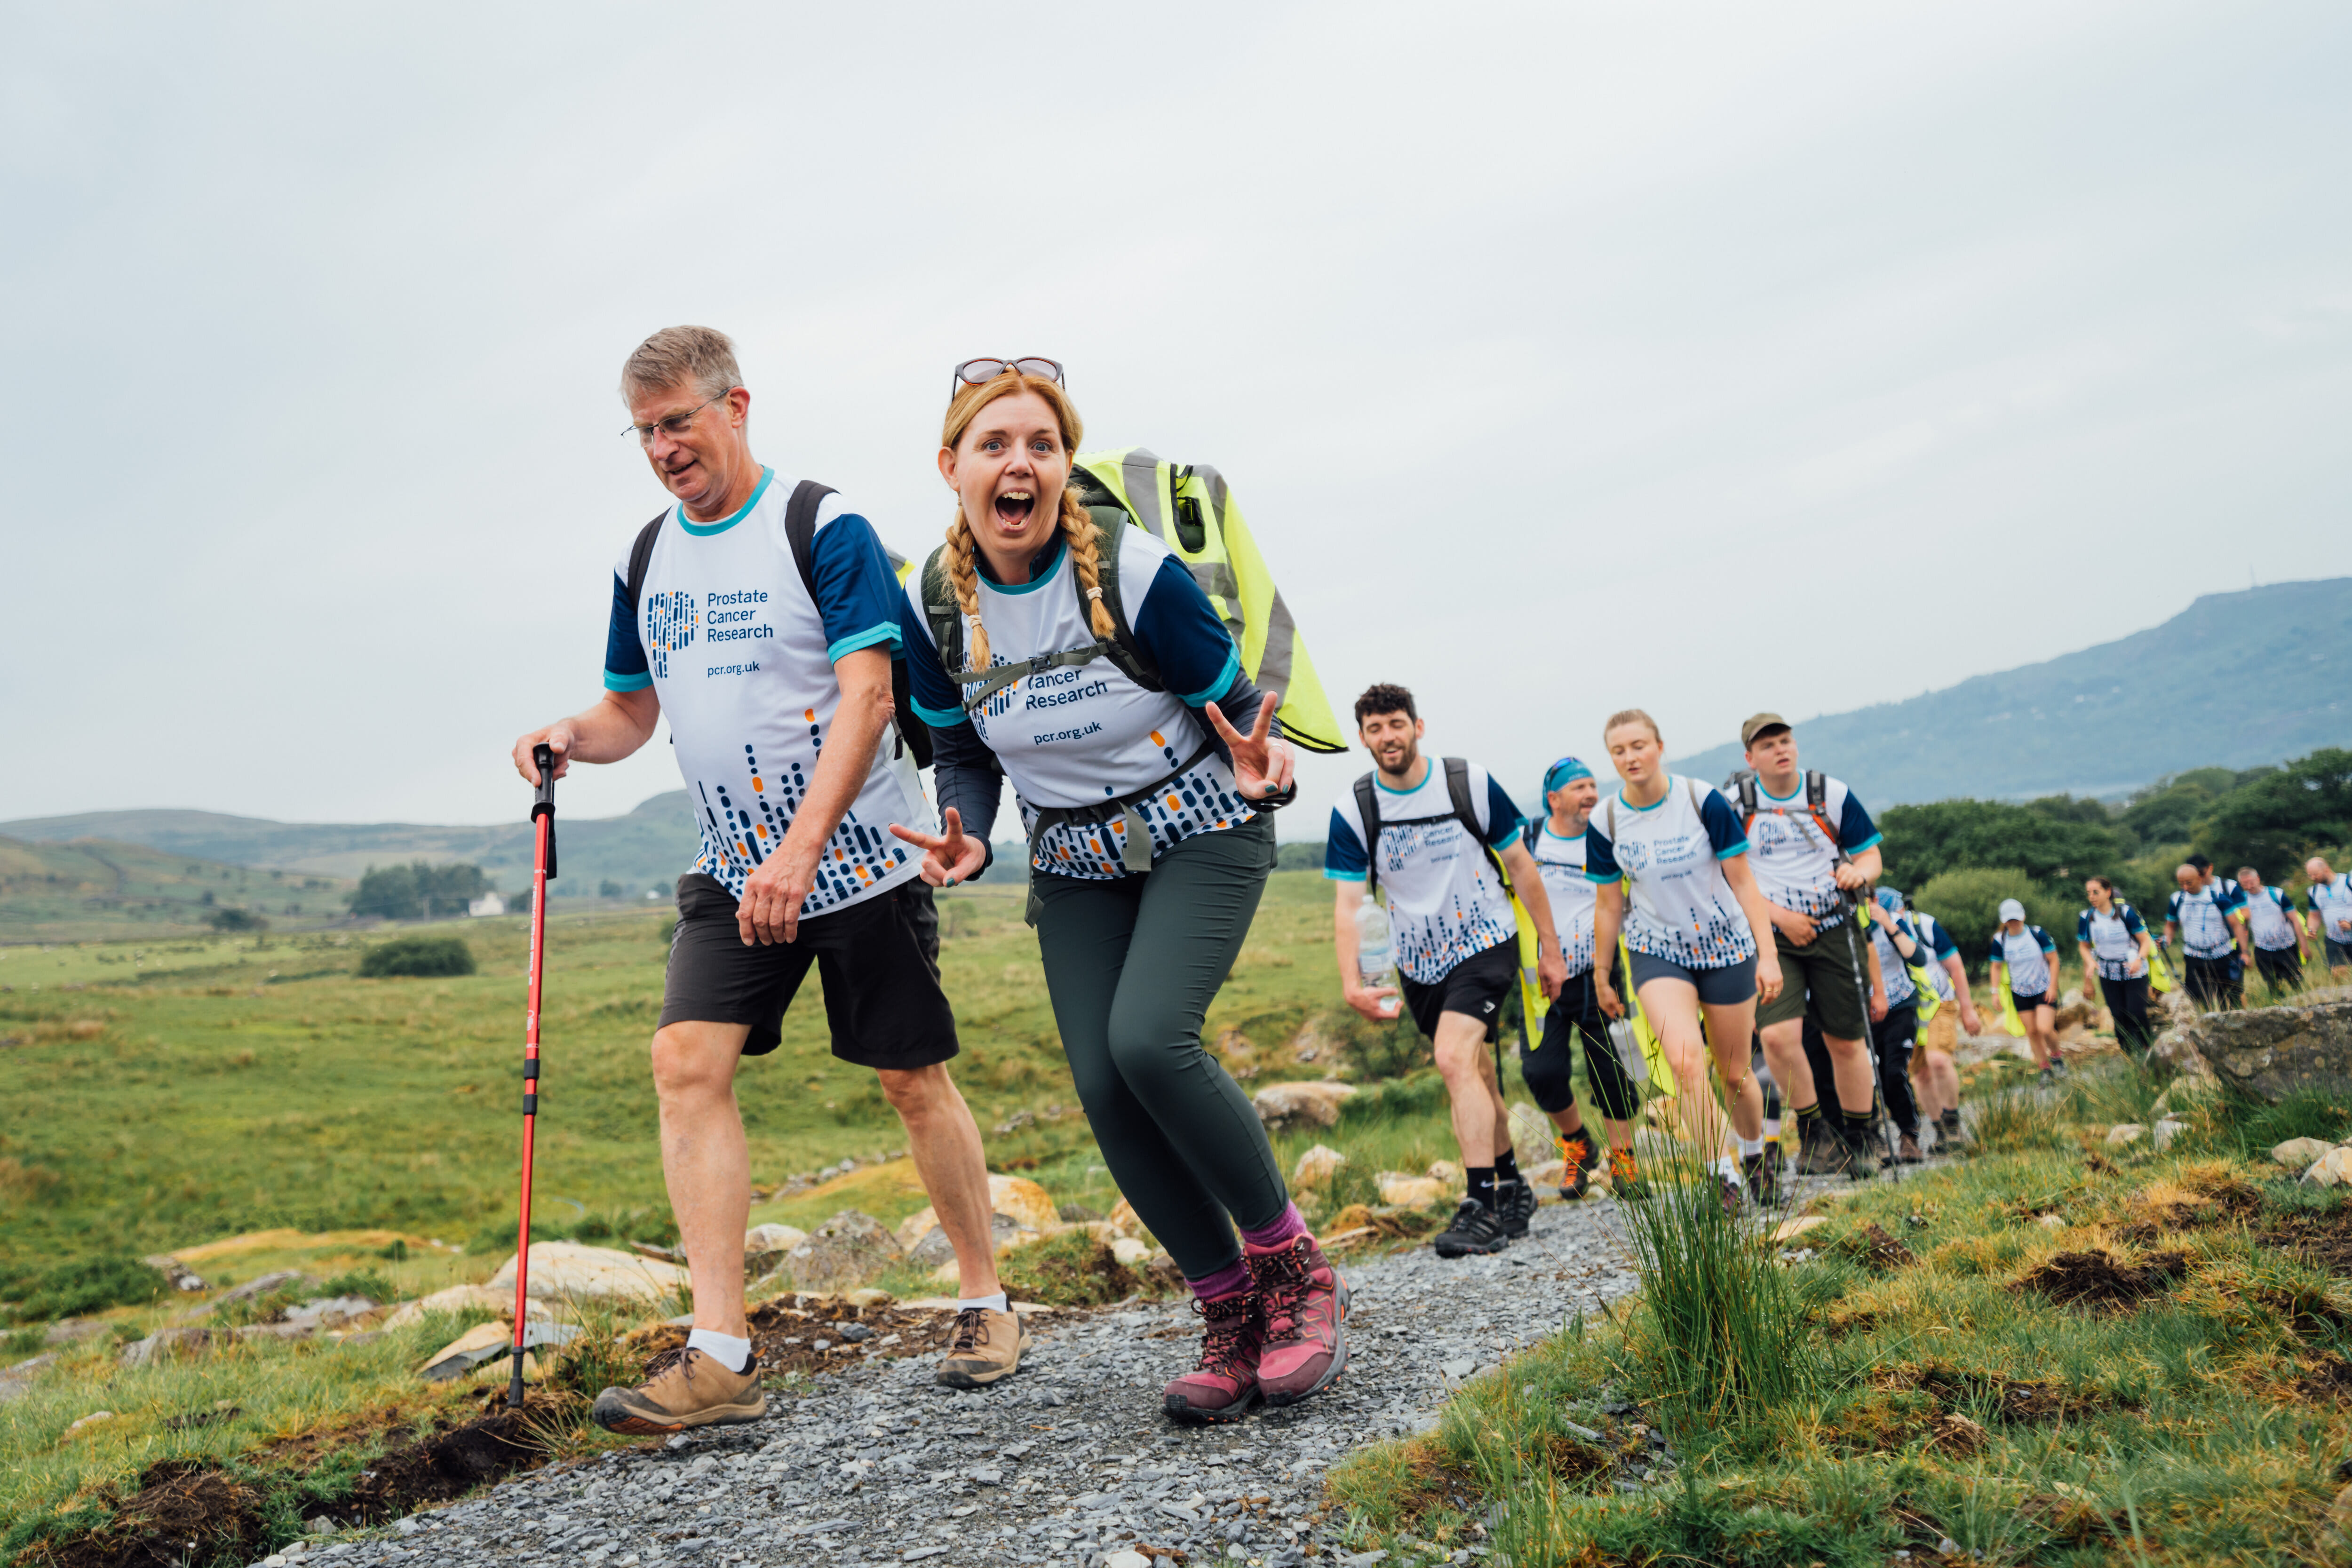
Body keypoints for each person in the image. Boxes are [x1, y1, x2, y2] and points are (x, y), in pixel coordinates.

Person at [513, 326, 1017, 1434]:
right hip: (732, 863)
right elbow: (632, 713)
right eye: (644, 431)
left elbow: (869, 699)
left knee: (908, 1079)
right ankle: (721, 1352)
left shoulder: (821, 527)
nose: (662, 448)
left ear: (735, 407)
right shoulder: (644, 558)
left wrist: (802, 852)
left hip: (863, 856)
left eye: (678, 423)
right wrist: (568, 735)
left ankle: (984, 1297)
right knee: (684, 1063)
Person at [890, 362, 1338, 1426]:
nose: (1020, 463)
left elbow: (1236, 713)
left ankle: (1296, 1271)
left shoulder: (1138, 574)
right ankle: (1228, 1314)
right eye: (994, 444)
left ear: (1062, 468)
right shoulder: (937, 605)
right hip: (1075, 861)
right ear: (951, 468)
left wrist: (1265, 766)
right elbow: (960, 744)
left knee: (1149, 1040)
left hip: (1204, 830)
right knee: (1102, 1082)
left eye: (1042, 445)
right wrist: (965, 829)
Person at [1327, 687, 1569, 1257]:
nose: (1387, 737)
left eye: (1395, 724)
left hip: (1484, 938)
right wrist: (1351, 982)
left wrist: (1550, 951)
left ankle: (1478, 1205)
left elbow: (1521, 866)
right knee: (1475, 1071)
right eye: (1374, 729)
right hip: (1417, 959)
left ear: (1418, 726)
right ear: (1362, 738)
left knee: (1453, 1058)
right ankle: (1512, 1185)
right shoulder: (1355, 809)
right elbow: (1346, 906)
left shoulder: (1468, 783)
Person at [1587, 709, 1787, 1210]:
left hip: (1725, 948)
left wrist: (1768, 955)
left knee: (1734, 1073)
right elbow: (1609, 904)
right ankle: (1722, 1175)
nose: (1630, 757)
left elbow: (1743, 881)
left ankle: (1755, 1155)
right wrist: (1600, 973)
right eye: (1618, 750)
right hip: (1657, 952)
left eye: (1638, 745)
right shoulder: (1606, 819)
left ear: (1658, 747)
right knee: (1684, 1064)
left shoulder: (1701, 801)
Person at [1731, 716, 1887, 1180]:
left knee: (1845, 1040)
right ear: (1749, 758)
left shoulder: (1828, 793)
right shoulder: (1736, 804)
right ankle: (1815, 1128)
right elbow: (1729, 873)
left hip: (1833, 926)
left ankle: (1861, 1136)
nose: (1781, 750)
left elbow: (1870, 853)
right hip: (1770, 934)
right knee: (1777, 1036)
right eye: (1768, 745)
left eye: (1785, 741)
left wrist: (1860, 873)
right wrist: (1780, 920)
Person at [1519, 756, 1640, 1199]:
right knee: (1541, 1070)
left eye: (1593, 785)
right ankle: (1579, 1144)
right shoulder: (1529, 840)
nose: (1590, 793)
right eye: (1578, 787)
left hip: (1601, 971)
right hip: (1542, 980)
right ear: (1554, 799)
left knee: (1611, 1069)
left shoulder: (1609, 836)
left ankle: (1624, 1159)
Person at [1889, 892, 1982, 1151]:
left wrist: (1968, 1009)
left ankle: (1953, 1125)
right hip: (1905, 1012)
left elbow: (1956, 967)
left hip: (1939, 1004)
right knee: (1920, 1073)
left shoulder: (1926, 926)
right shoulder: (1876, 934)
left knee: (1938, 1059)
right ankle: (1940, 1130)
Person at [1861, 891, 1929, 1162]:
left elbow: (1919, 958)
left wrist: (1890, 925)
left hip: (1901, 1005)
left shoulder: (1894, 926)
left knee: (1893, 1071)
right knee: (1874, 1078)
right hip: (1868, 1013)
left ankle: (1909, 1136)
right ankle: (1877, 1141)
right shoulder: (1850, 929)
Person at [2077, 876, 2156, 1057]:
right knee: (2118, 1015)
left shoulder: (2126, 913)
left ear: (2108, 892)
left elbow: (2145, 941)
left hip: (2133, 970)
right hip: (2107, 972)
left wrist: (2139, 959)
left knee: (2136, 1012)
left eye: (2096, 892)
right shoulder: (2087, 917)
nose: (2092, 897)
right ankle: (2128, 1053)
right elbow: (2084, 947)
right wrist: (2090, 964)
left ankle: (2147, 1048)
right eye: (2089, 893)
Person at [1989, 899, 2062, 1084]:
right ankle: (2045, 1070)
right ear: (2004, 921)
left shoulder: (2037, 934)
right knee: (2032, 1032)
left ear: (2023, 917)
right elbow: (1996, 967)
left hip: (2044, 988)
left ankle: (2057, 1057)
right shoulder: (2000, 941)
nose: (2014, 922)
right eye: (2010, 919)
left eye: (2016, 918)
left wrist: (2053, 986)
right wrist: (1995, 992)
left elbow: (2054, 960)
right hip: (2020, 992)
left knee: (2045, 1029)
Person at [2165, 855, 2251, 1011]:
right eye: (2181, 884)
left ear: (2199, 878)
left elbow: (2237, 925)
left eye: (2189, 883)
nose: (2185, 887)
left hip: (2223, 956)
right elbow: (2171, 926)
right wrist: (2166, 940)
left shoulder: (2218, 897)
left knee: (2231, 1000)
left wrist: (2245, 952)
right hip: (2194, 958)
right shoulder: (2177, 899)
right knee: (2199, 1002)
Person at [2235, 866, 2309, 994]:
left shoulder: (2277, 894)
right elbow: (2243, 929)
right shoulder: (2243, 902)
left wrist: (2304, 946)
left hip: (2287, 947)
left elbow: (2295, 920)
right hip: (2263, 949)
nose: (2249, 886)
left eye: (2251, 882)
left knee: (2296, 983)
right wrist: (2245, 952)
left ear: (2258, 879)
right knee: (2273, 986)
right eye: (2244, 884)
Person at [2309, 856, 2352, 983]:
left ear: (2326, 869)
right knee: (2338, 975)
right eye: (2310, 875)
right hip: (2334, 939)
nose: (2313, 878)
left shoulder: (2348, 882)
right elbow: (2314, 915)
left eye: (2315, 874)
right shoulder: (2313, 891)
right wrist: (2312, 928)